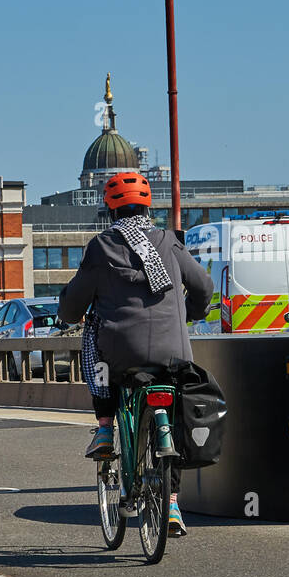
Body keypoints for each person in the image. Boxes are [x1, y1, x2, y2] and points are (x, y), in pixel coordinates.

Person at [59, 171, 213, 537]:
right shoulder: (169, 242)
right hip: (173, 353)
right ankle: (172, 504)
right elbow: (203, 287)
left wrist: (70, 311)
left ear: (110, 209)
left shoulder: (102, 246)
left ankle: (104, 429)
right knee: (171, 426)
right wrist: (187, 314)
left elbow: (72, 308)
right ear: (148, 206)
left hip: (119, 353)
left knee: (93, 348)